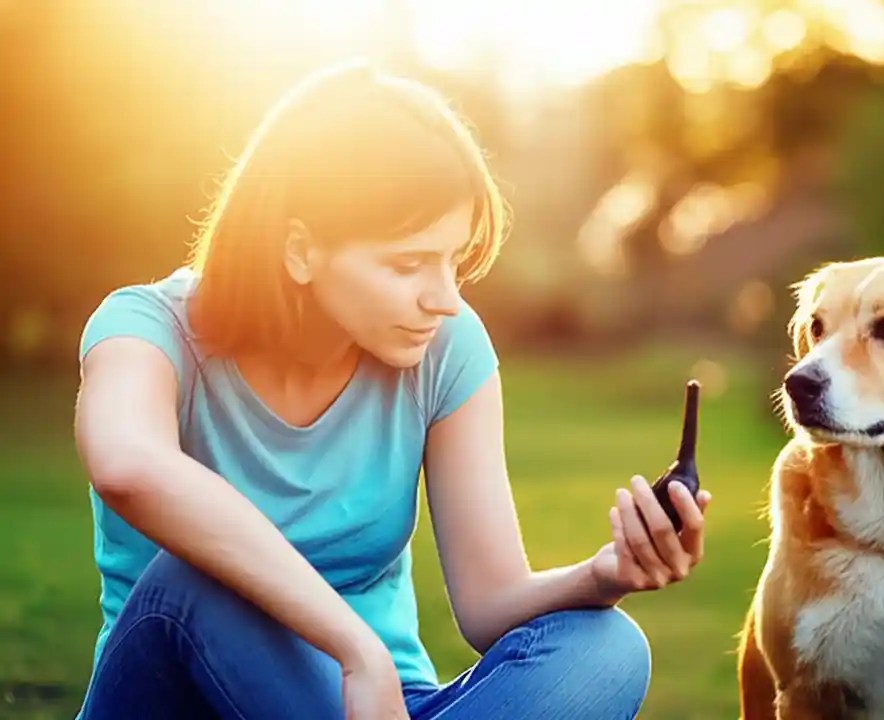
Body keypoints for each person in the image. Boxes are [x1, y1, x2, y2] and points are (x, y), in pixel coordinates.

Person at [72, 59, 712, 720]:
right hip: (190, 698)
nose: (444, 298)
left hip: (384, 707)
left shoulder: (445, 348)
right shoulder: (146, 330)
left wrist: (605, 574)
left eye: (453, 259)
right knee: (196, 573)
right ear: (300, 250)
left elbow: (490, 603)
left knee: (604, 648)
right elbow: (127, 464)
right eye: (408, 263)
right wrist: (356, 648)